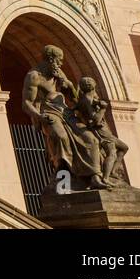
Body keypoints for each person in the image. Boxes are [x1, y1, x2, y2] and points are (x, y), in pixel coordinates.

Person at [23, 45, 107, 190]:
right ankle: (64, 183)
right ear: (51, 59)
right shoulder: (34, 76)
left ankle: (95, 177)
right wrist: (40, 117)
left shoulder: (58, 72)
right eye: (59, 60)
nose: (61, 64)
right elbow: (26, 103)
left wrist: (68, 85)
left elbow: (74, 98)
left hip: (65, 112)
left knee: (90, 139)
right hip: (49, 112)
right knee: (61, 137)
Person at [72, 77, 129, 184]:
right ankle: (106, 178)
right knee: (112, 153)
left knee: (124, 148)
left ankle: (112, 171)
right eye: (86, 82)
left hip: (105, 130)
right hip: (100, 131)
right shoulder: (86, 100)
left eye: (89, 81)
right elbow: (96, 120)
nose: (88, 83)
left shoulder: (91, 98)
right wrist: (103, 109)